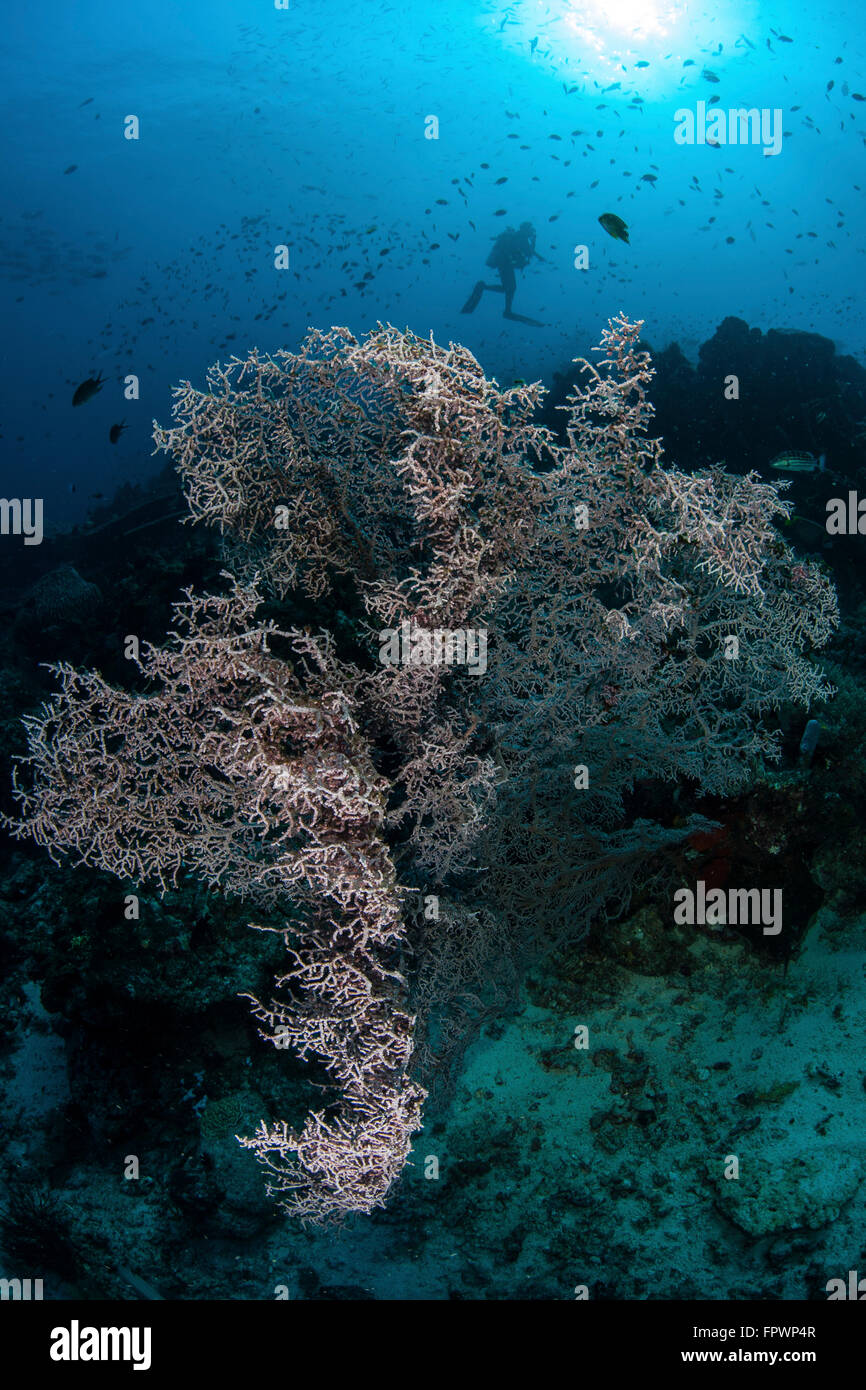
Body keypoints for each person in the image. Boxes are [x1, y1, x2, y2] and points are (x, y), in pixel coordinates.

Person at [461, 222, 545, 324]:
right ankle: (506, 310)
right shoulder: (521, 238)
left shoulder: (518, 237)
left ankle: (487, 291)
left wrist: (539, 256)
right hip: (505, 263)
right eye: (530, 230)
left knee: (508, 288)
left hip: (503, 262)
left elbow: (528, 252)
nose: (532, 232)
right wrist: (534, 242)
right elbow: (529, 253)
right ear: (525, 230)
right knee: (510, 288)